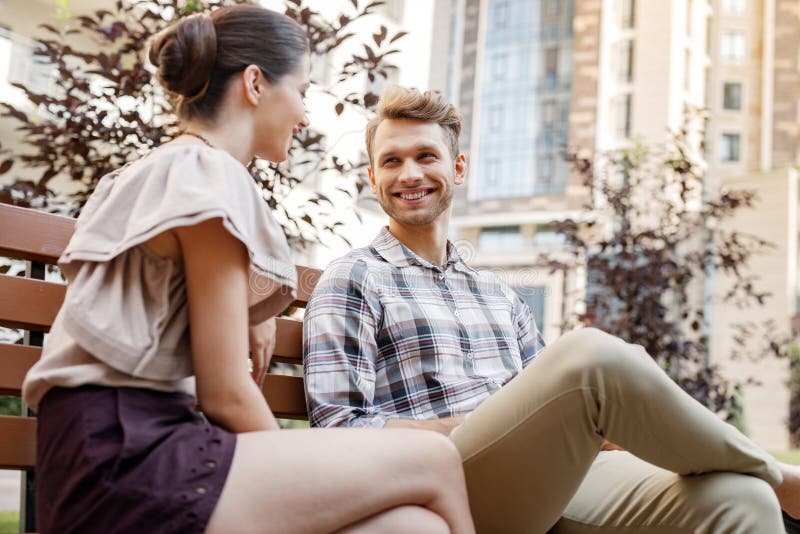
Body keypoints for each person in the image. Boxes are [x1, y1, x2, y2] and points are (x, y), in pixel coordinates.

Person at [21, 9, 475, 534]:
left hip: (107, 450)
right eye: (302, 90)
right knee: (433, 459)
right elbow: (226, 393)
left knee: (410, 527)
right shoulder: (209, 174)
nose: (304, 115)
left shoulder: (155, 171)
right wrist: (306, 476)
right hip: (129, 458)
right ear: (256, 83)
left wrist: (249, 311)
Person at [303, 84, 800, 533]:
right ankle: (778, 475)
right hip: (438, 485)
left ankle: (762, 480)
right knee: (589, 357)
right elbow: (339, 428)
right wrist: (486, 424)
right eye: (391, 161)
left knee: (739, 498)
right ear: (373, 178)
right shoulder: (354, 277)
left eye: (425, 156)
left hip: (546, 484)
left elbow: (559, 411)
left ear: (457, 168)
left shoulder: (499, 295)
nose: (409, 174)